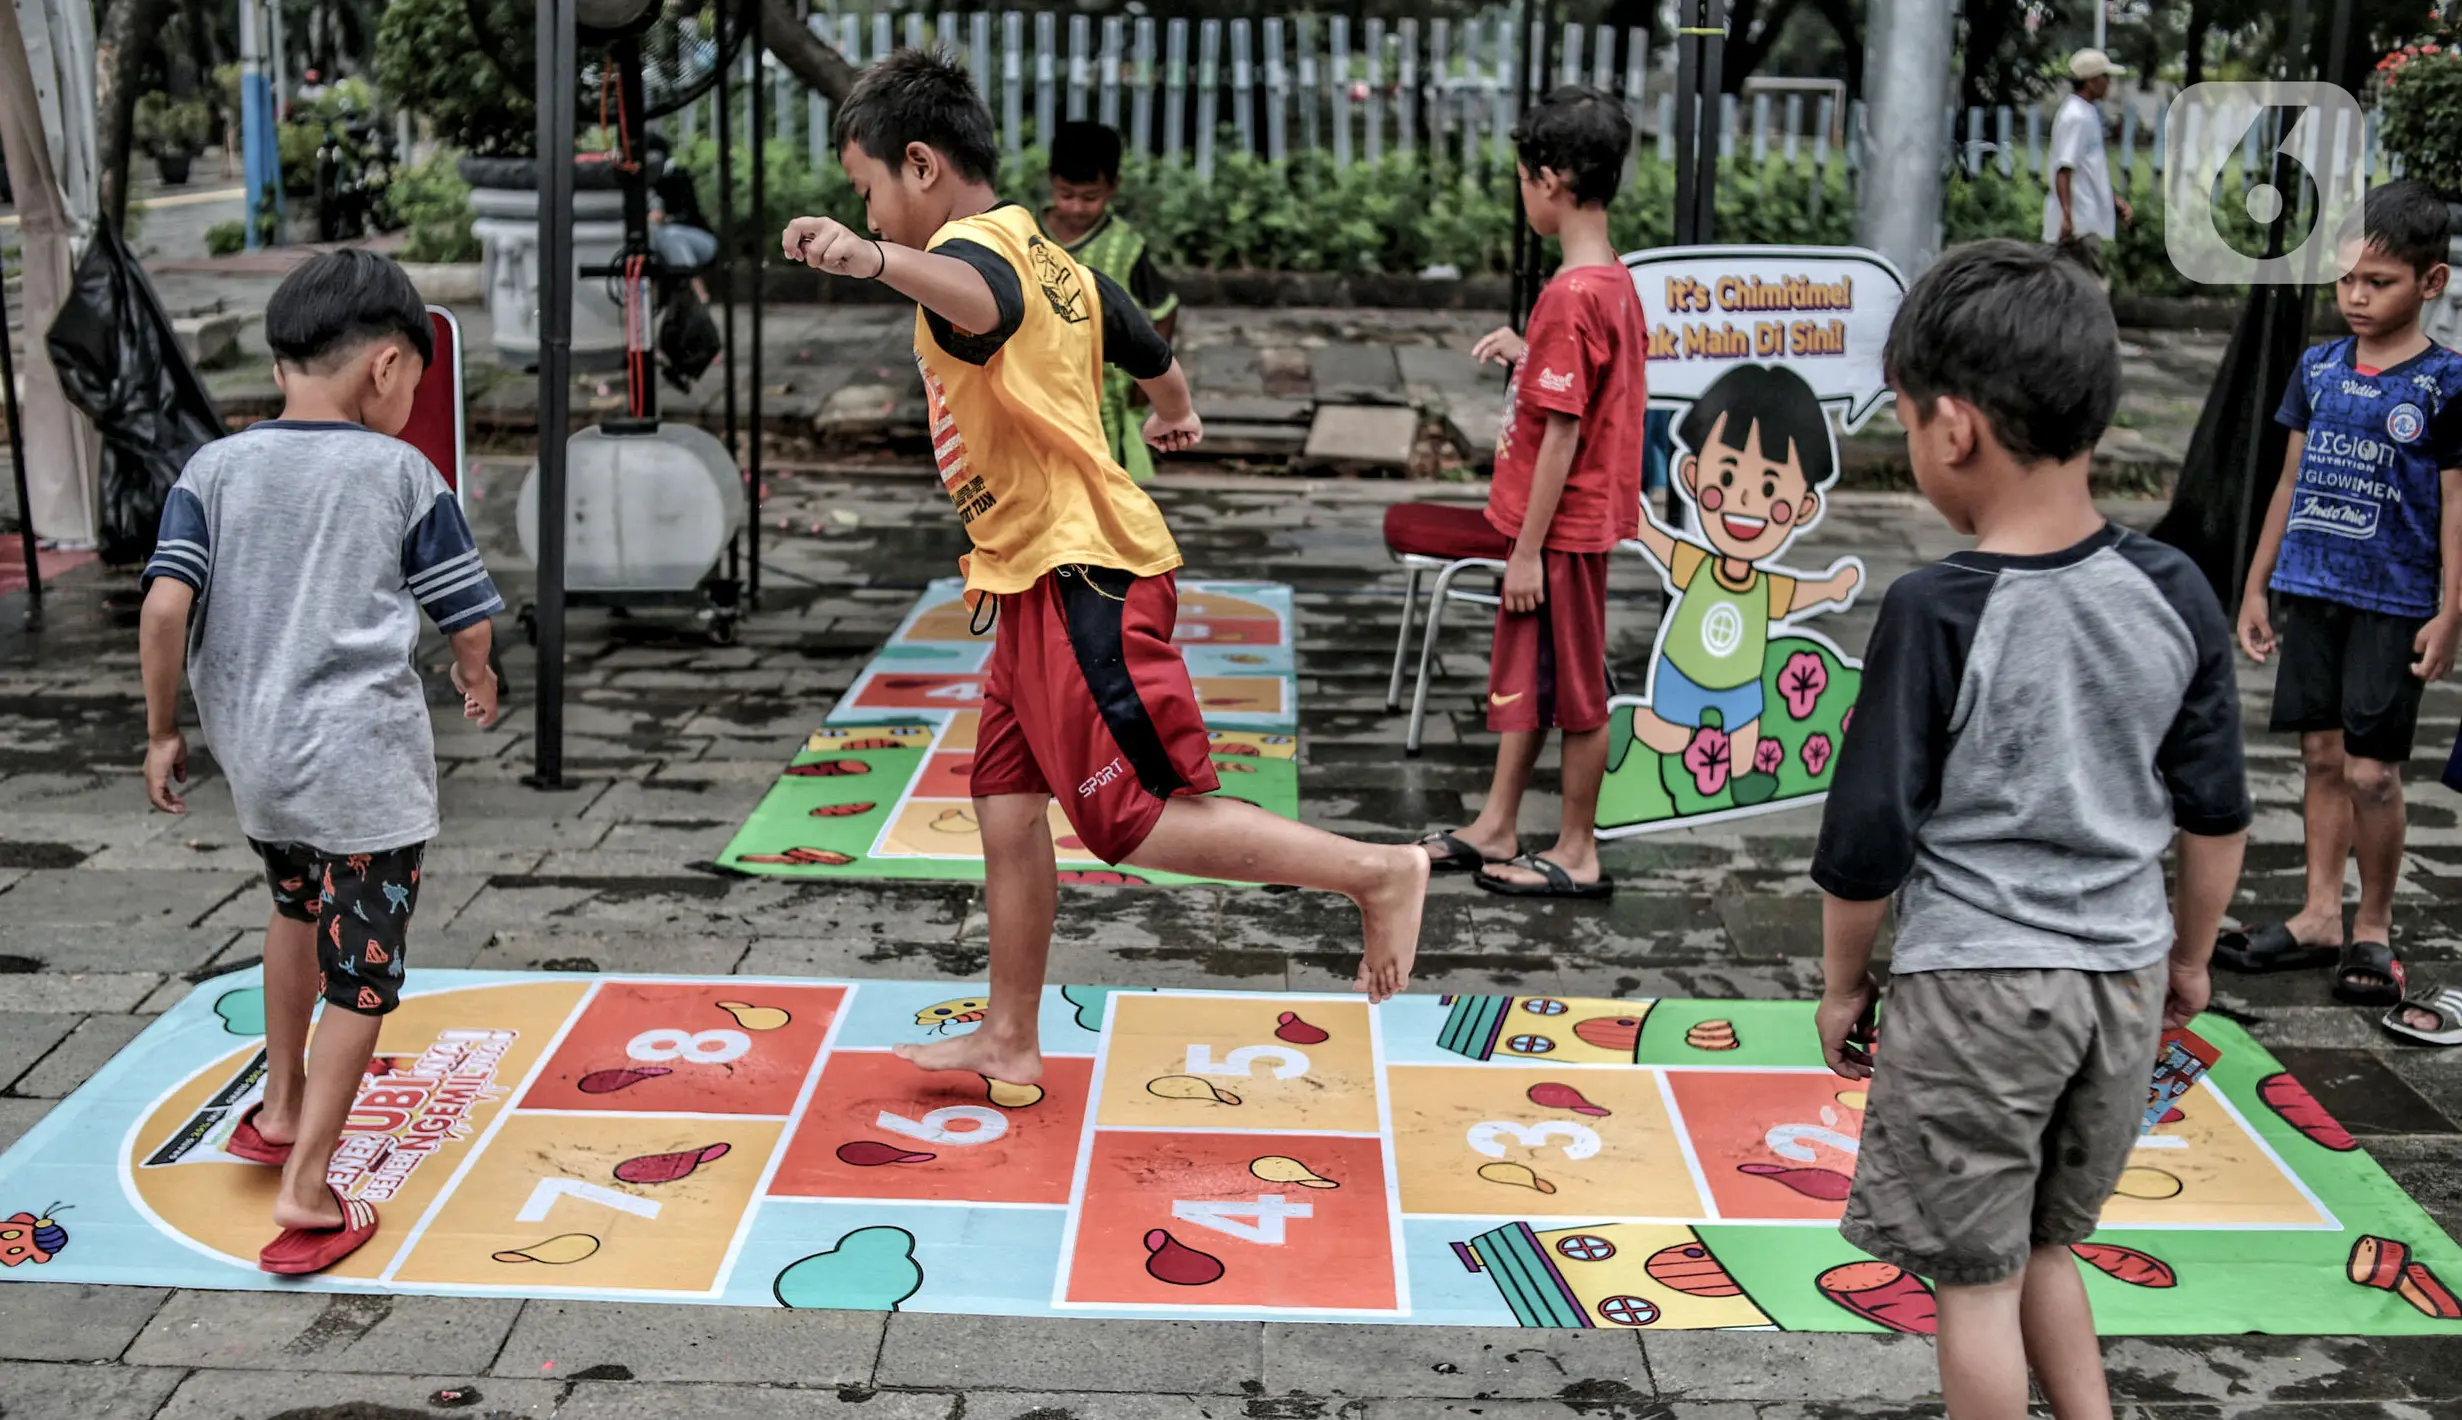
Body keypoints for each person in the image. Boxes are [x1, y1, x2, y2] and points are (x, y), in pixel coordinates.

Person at [780, 50, 1427, 1087]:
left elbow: (974, 298)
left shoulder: (974, 258)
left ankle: (1377, 872)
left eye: (869, 192)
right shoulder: (1048, 252)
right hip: (1029, 576)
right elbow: (1132, 329)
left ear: (919, 164)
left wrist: (867, 260)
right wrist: (1174, 409)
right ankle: (1009, 1033)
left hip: (1081, 576)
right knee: (1002, 801)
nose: (872, 212)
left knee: (1132, 817)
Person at [1812, 240, 2249, 1420]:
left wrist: (1841, 984)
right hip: (2116, 982)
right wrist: (2189, 961)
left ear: (1952, 430)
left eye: (1905, 422)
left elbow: (1865, 839)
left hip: (1978, 991)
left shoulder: (1935, 608)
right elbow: (2214, 815)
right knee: (2044, 1242)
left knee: (1971, 1278)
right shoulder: (2173, 593)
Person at [137, 250, 504, 1275]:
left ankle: (281, 1098)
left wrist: (163, 729)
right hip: (364, 777)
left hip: (259, 767)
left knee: (297, 905)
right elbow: (465, 615)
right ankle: (306, 1182)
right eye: (416, 385)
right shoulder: (400, 475)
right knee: (363, 974)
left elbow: (166, 605)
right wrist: (477, 678)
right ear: (386, 368)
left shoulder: (212, 468)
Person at [2228, 181, 2462, 1008]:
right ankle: (2319, 913)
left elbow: (2459, 503)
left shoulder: (2448, 383)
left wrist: (2451, 609)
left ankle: (2374, 925)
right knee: (2320, 758)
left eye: (2380, 281)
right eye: (2346, 280)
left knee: (2372, 774)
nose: (2357, 297)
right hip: (2310, 588)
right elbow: (2289, 481)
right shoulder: (2318, 368)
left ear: (2430, 283)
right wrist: (2255, 586)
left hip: (2394, 600)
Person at [1416, 86, 1645, 899]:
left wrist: (1523, 553)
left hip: (1558, 537)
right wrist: (1530, 352)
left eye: (1521, 179)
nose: (1523, 194)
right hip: (1559, 532)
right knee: (1531, 677)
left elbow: (1562, 434)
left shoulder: (1571, 296)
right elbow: (1580, 391)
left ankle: (1577, 850)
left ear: (1548, 179)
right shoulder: (1606, 281)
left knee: (1578, 691)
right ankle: (1497, 823)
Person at [1624, 364, 1861, 806]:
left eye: (1772, 490)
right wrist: (1642, 527)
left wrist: (1829, 588)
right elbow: (1663, 548)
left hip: (1739, 684)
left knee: (1744, 740)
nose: (1747, 501)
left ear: (1805, 508)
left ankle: (1744, 780)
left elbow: (1794, 595)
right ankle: (1630, 729)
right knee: (1671, 736)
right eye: (1727, 479)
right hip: (1681, 669)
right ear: (1692, 477)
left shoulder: (1765, 586)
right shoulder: (1697, 565)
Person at [1043, 120, 1180, 484]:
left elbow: (1165, 310)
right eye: (1065, 194)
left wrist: (1148, 376)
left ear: (1113, 187)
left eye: (1090, 197)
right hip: (1038, 385)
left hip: (1104, 395)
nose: (1075, 207)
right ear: (1050, 181)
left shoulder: (1127, 246)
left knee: (1101, 481)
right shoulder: (1023, 234)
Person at [2042, 48, 2133, 287]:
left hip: (2085, 218)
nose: (2109, 83)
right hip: (2079, 223)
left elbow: (2091, 169)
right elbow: (2064, 168)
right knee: (2089, 287)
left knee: (2072, 286)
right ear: (2091, 81)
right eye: (2106, 77)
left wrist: (2113, 201)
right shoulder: (2076, 117)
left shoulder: (2086, 112)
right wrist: (2067, 216)